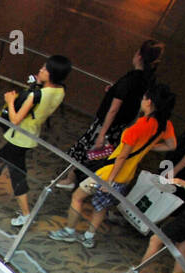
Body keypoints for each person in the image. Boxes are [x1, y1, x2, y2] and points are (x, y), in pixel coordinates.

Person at [49, 84, 177, 249]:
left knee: (78, 196)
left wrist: (108, 181)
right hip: (127, 176)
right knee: (101, 206)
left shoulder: (138, 127)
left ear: (149, 102)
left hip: (108, 173)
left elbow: (122, 156)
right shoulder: (164, 125)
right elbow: (171, 145)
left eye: (144, 98)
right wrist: (146, 147)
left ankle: (69, 230)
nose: (142, 100)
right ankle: (89, 236)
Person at [0, 55, 71, 227]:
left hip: (20, 137)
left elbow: (15, 119)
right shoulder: (60, 91)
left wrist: (10, 101)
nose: (40, 70)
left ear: (51, 74)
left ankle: (26, 214)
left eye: (44, 69)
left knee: (17, 174)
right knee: (1, 157)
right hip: (31, 134)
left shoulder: (37, 95)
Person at [56, 41, 164, 189]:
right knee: (98, 155)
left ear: (139, 56)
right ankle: (79, 180)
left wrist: (102, 133)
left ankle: (72, 180)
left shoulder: (129, 80)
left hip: (106, 125)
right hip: (120, 127)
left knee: (86, 151)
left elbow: (113, 109)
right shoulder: (148, 80)